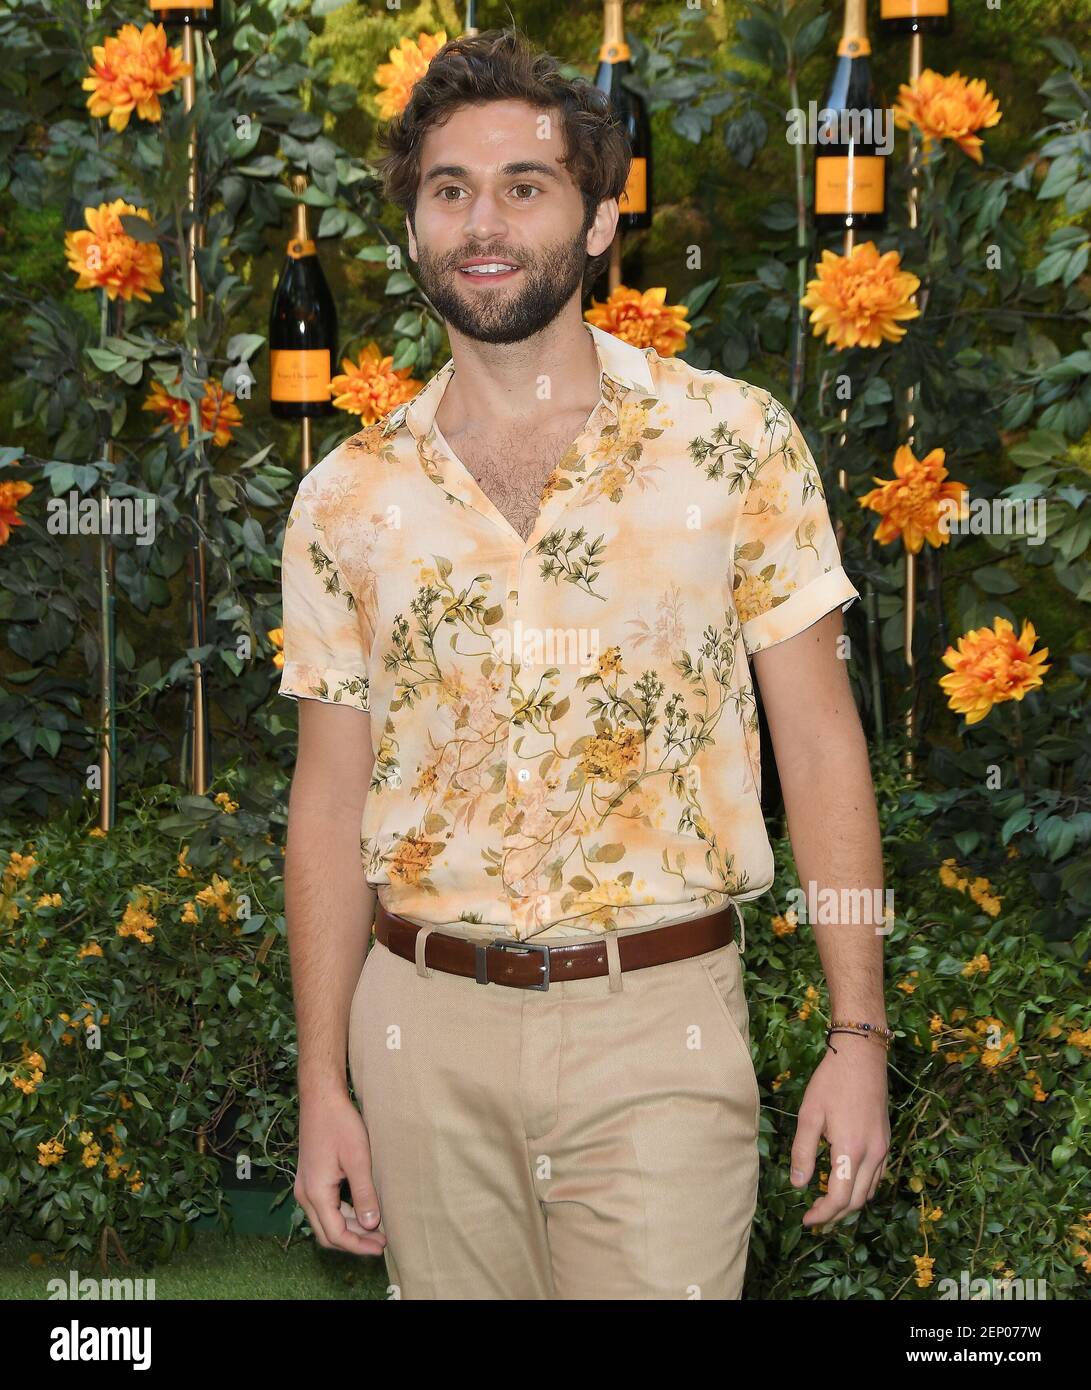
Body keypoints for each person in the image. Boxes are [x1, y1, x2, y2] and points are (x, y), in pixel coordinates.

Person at [280, 27, 890, 1300]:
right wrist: (322, 1081)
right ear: (411, 230)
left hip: (656, 1026)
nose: (481, 219)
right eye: (447, 189)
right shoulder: (345, 497)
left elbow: (822, 746)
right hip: (419, 1027)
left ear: (602, 218)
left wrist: (857, 1034)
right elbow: (329, 800)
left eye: (524, 184)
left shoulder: (730, 442)